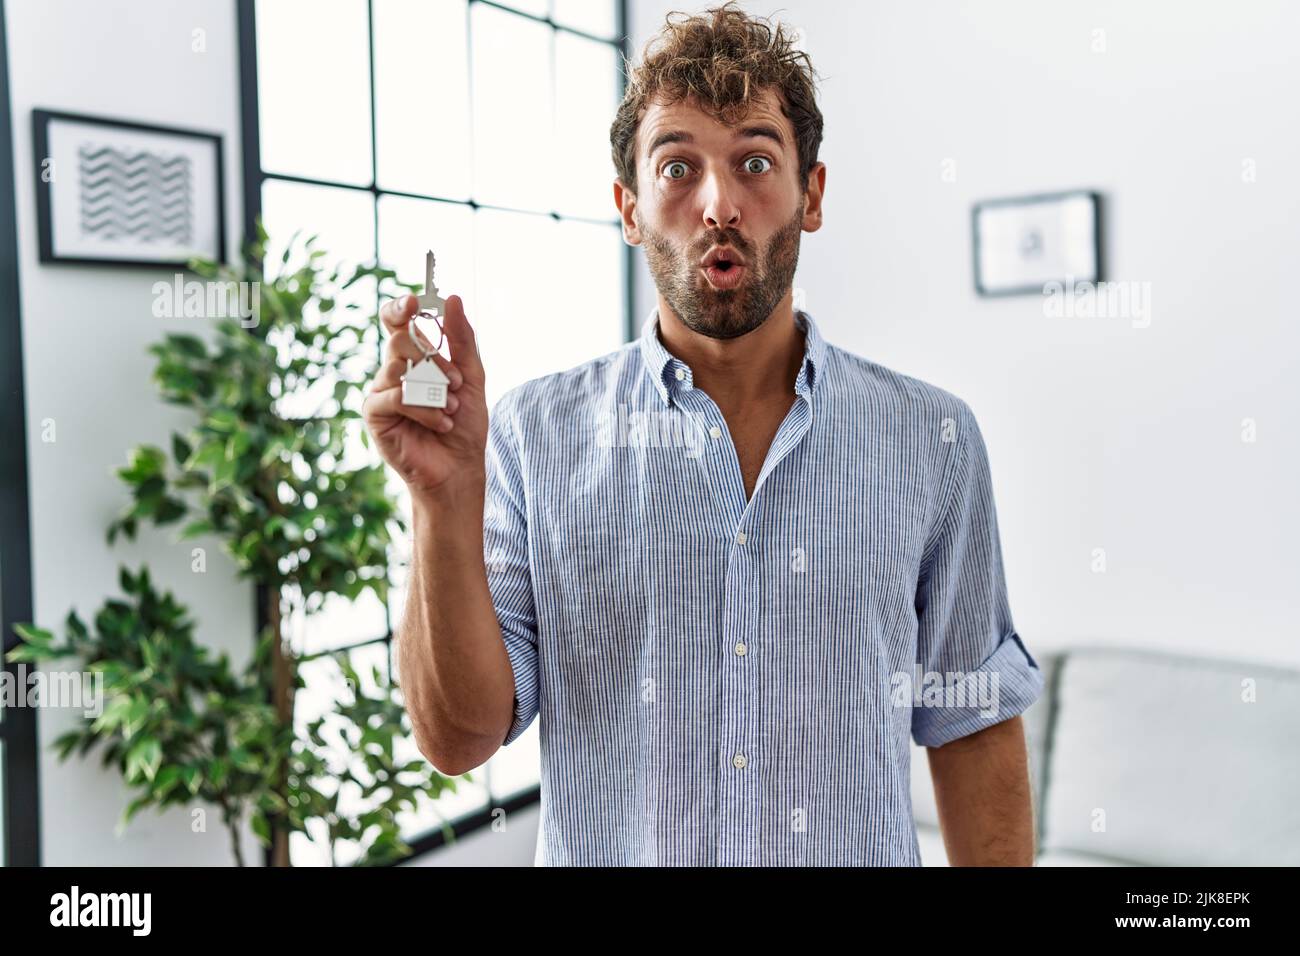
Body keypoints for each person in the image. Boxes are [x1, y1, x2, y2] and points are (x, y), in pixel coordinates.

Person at [362, 2, 1043, 866]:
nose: (719, 202)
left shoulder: (934, 439)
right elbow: (459, 739)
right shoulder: (533, 438)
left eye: (755, 161)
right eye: (677, 167)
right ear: (630, 208)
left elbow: (974, 721)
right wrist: (439, 499)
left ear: (813, 194)